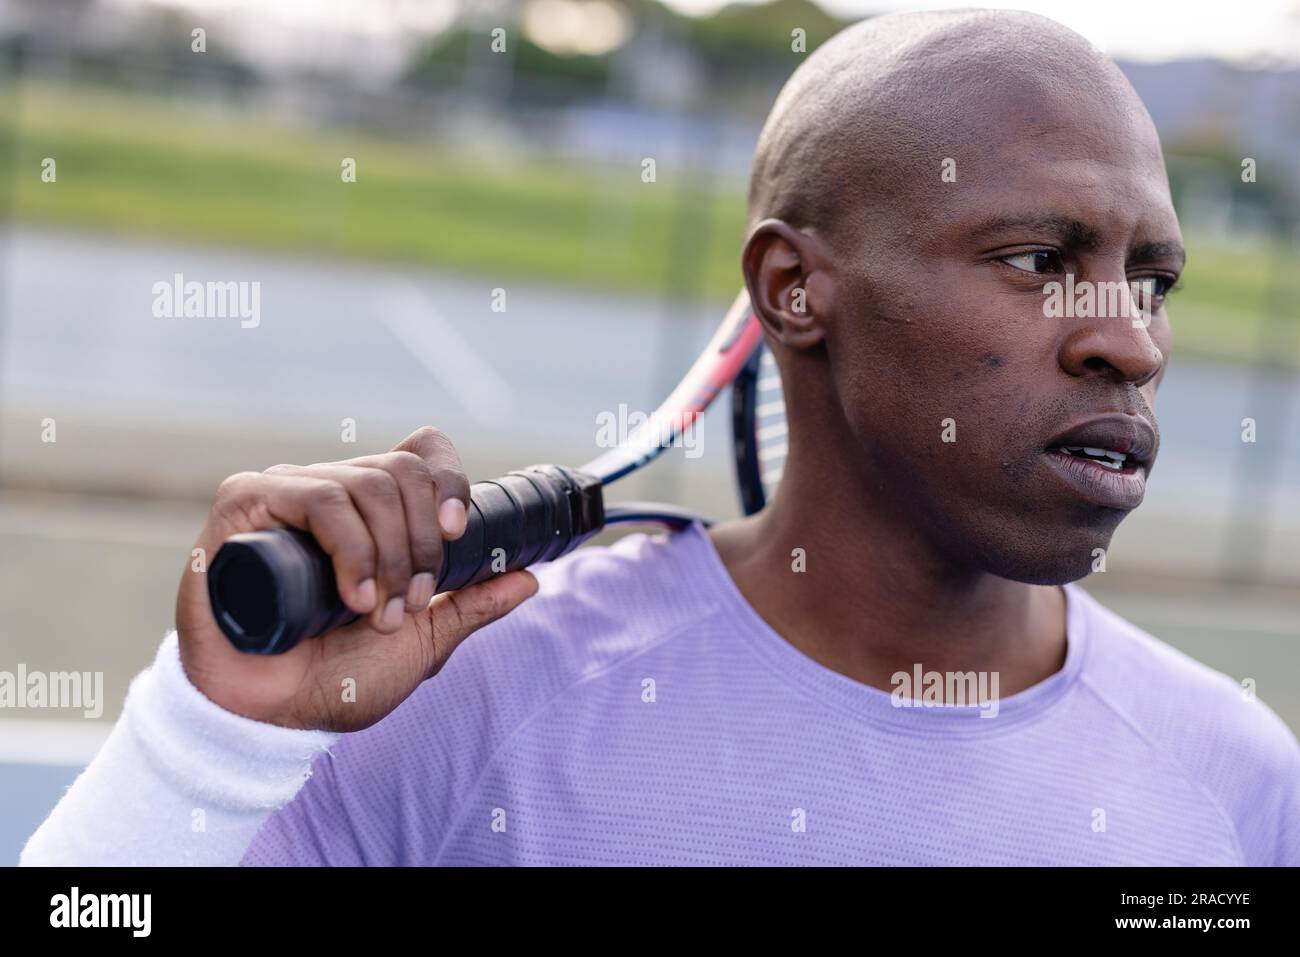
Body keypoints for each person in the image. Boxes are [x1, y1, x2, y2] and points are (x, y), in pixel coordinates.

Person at [23, 8, 1299, 866]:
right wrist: (208, 739)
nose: (1127, 339)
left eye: (1153, 281)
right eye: (1038, 259)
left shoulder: (1238, 782)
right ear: (793, 289)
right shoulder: (462, 695)